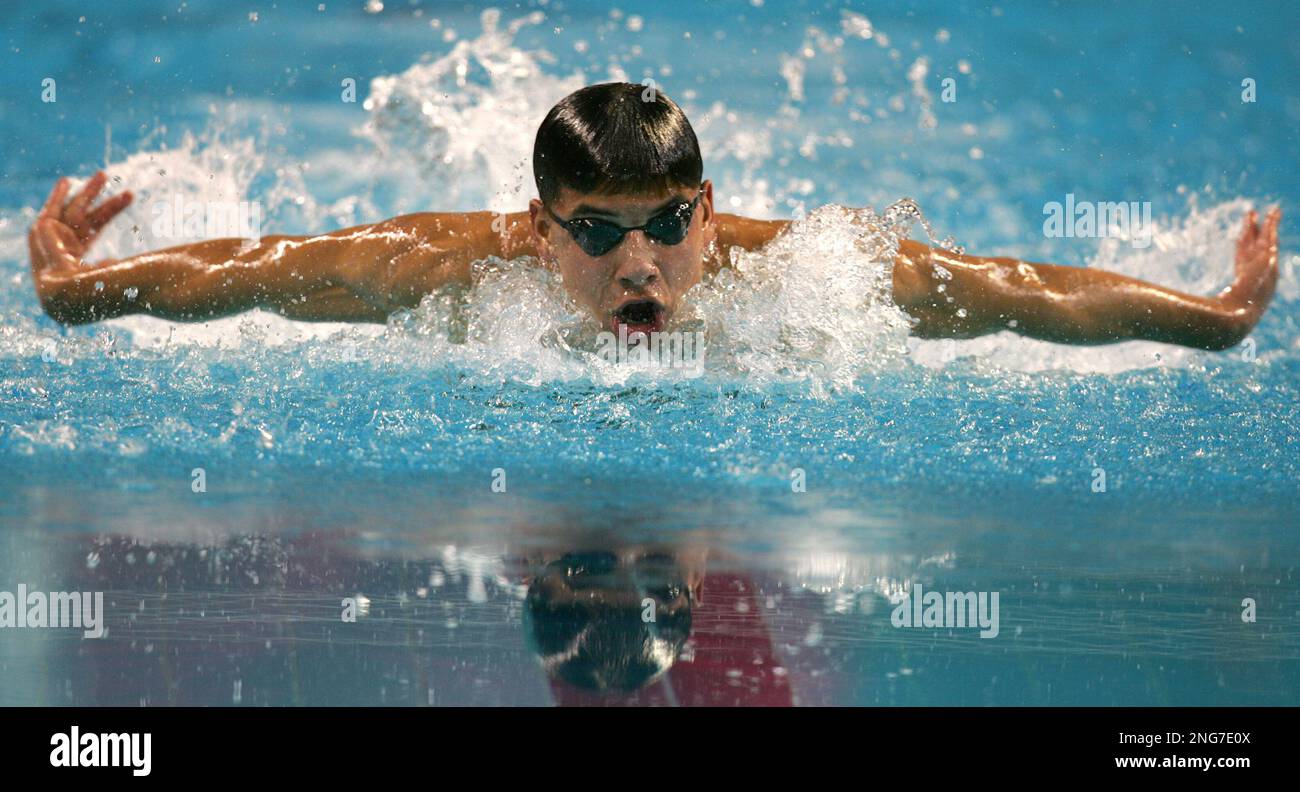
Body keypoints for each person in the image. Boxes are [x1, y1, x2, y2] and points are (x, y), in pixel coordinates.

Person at [27, 82, 1280, 351]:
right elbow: (253, 268)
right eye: (595, 232)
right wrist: (78, 285)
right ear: (536, 230)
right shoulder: (439, 270)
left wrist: (1219, 316)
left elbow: (1022, 289)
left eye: (668, 224)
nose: (642, 263)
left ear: (710, 214)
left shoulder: (791, 273)